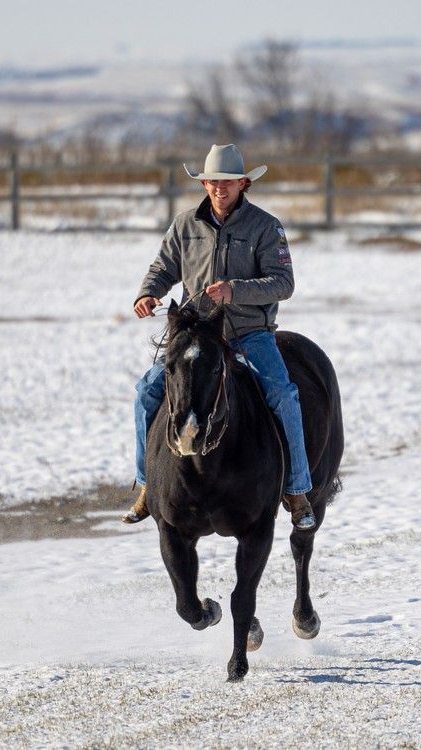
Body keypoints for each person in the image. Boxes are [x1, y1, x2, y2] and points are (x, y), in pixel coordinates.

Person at [122, 143, 315, 530]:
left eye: (228, 182)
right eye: (212, 181)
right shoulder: (184, 225)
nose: (219, 188)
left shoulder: (266, 227)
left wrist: (235, 290)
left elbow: (283, 283)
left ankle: (296, 490)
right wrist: (148, 292)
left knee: (283, 394)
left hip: (249, 333)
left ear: (243, 184)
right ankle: (146, 486)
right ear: (204, 183)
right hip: (198, 336)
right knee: (147, 392)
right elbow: (163, 266)